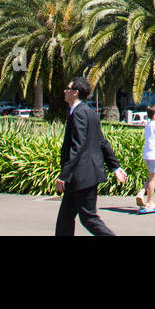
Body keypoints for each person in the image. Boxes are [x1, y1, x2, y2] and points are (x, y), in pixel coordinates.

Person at [56, 77, 127, 236]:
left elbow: (78, 146)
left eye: (68, 89)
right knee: (64, 220)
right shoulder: (89, 112)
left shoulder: (79, 113)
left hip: (81, 177)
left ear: (75, 93)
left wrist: (64, 175)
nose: (64, 92)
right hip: (81, 176)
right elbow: (102, 142)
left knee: (89, 218)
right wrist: (115, 166)